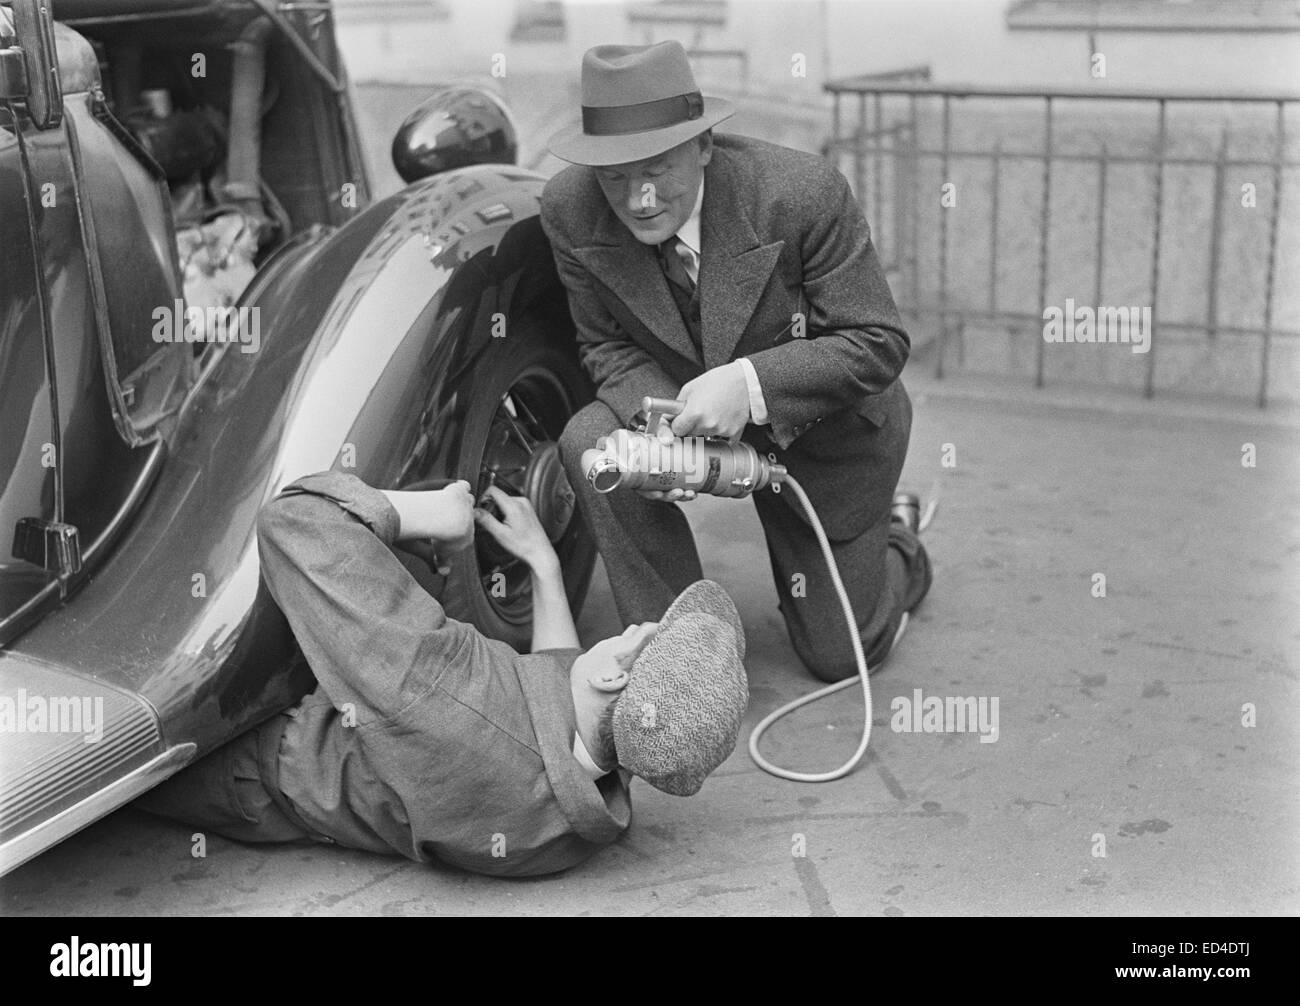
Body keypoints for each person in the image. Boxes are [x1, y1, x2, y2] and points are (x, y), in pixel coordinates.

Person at [542, 40, 932, 683]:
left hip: (824, 432)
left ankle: (899, 540)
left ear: (703, 145)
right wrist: (657, 431)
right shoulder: (569, 207)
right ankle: (682, 658)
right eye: (615, 177)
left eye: (658, 169)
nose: (639, 199)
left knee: (842, 657)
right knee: (591, 440)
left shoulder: (803, 193)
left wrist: (746, 384)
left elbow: (877, 340)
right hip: (686, 414)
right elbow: (605, 345)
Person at [136, 471, 748, 877]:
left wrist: (430, 513)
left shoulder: (451, 692)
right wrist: (543, 565)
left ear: (616, 677)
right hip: (382, 755)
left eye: (648, 636)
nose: (638, 627)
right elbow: (556, 692)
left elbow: (292, 521)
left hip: (247, 758)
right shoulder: (592, 790)